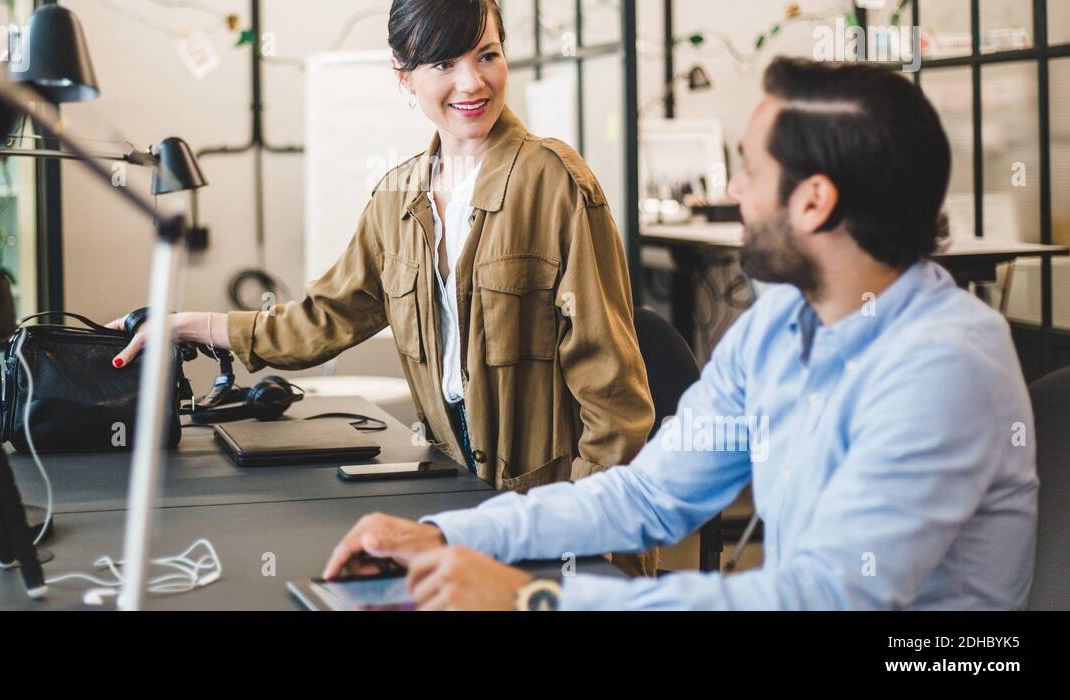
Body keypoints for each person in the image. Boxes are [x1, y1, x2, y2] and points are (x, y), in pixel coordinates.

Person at [323, 56, 1039, 610]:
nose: (733, 192)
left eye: (749, 171)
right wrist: (451, 535)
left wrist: (529, 597)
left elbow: (824, 598)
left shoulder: (945, 364)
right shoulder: (776, 332)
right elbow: (649, 496)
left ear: (814, 202)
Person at [112, 0, 656, 571]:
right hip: (459, 502)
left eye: (488, 55)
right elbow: (322, 320)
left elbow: (613, 391)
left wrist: (587, 521)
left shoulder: (555, 181)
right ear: (404, 78)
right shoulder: (396, 200)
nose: (472, 81)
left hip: (560, 512)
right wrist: (188, 324)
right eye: (443, 63)